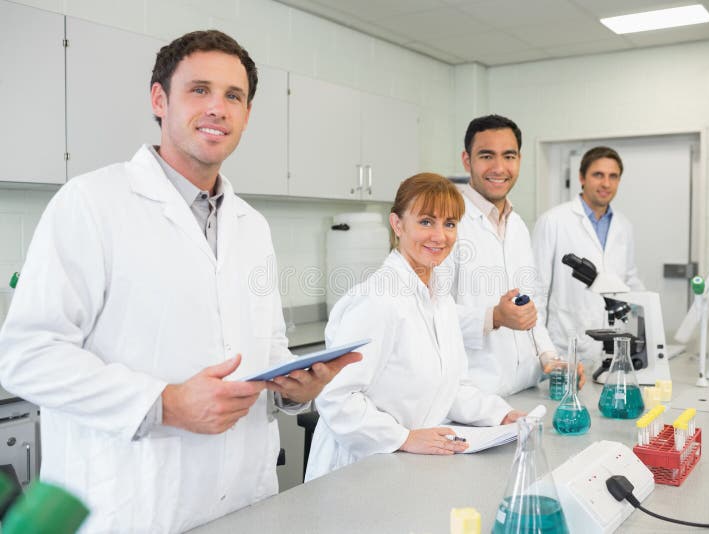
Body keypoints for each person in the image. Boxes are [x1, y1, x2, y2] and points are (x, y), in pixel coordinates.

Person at [0, 30, 359, 533]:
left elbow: (268, 345)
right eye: (199, 90)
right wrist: (163, 403)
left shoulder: (251, 225)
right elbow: (26, 355)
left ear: (247, 115)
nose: (218, 108)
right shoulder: (91, 204)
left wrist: (296, 387)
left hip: (244, 501)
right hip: (136, 505)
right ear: (159, 99)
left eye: (234, 96)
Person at [305, 173, 526, 482]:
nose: (439, 236)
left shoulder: (439, 298)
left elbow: (455, 386)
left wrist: (502, 415)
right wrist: (403, 438)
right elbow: (336, 398)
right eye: (426, 222)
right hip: (359, 467)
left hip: (408, 464)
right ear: (397, 224)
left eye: (449, 224)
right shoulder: (378, 299)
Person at [440, 115, 583, 397]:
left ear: (519, 160)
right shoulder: (447, 224)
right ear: (467, 161)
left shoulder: (517, 225)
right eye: (486, 156)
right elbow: (431, 315)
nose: (499, 168)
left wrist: (550, 359)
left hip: (526, 387)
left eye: (509, 156)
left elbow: (530, 307)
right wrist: (493, 316)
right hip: (476, 393)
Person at [531, 146, 644, 365]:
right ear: (582, 177)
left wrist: (647, 316)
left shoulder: (624, 226)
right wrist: (541, 350)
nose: (606, 183)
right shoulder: (553, 221)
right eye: (598, 175)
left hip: (612, 347)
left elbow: (630, 279)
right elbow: (537, 291)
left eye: (613, 176)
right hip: (564, 346)